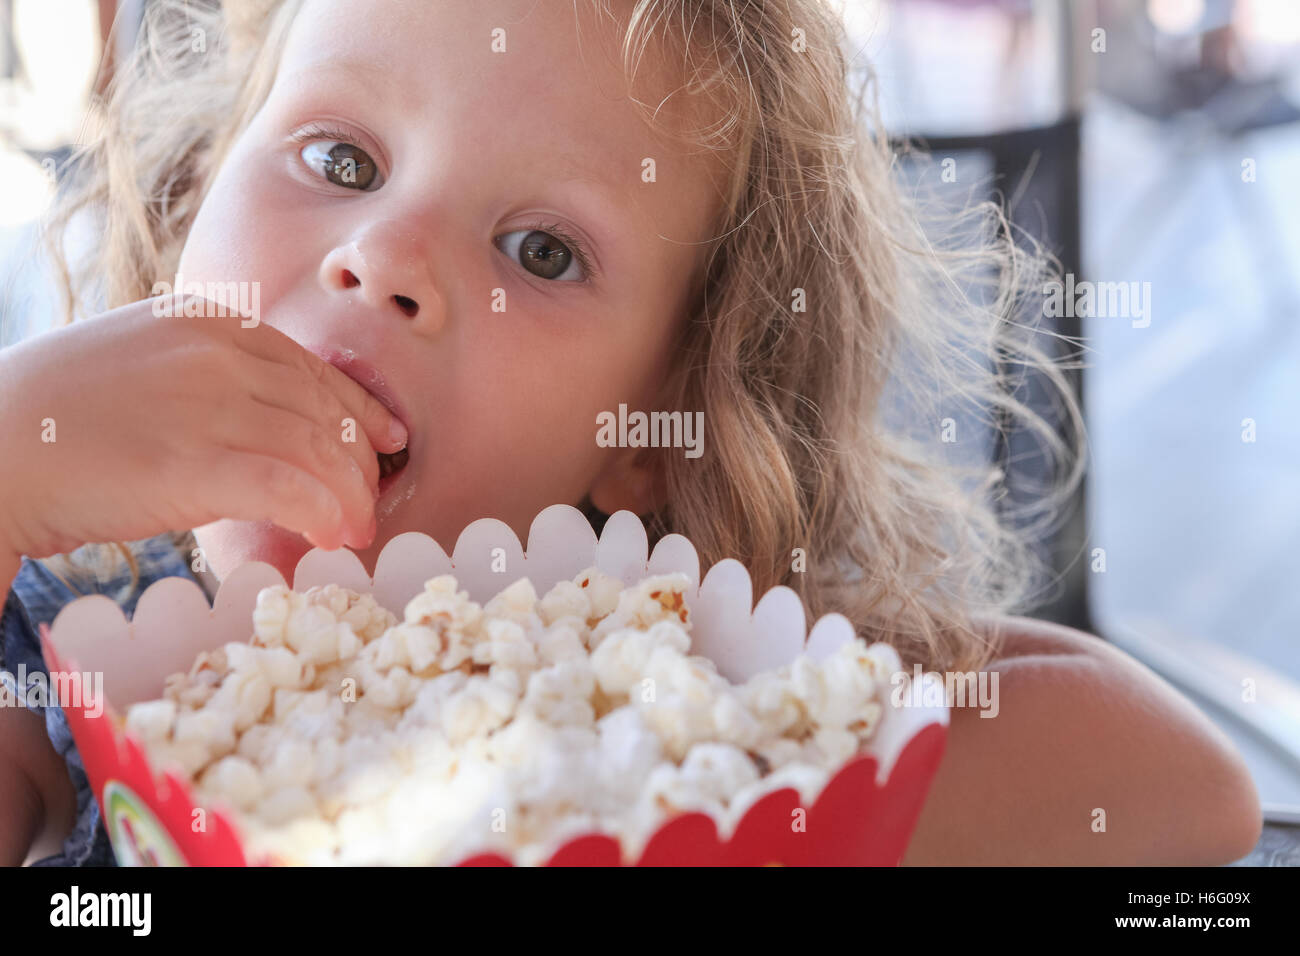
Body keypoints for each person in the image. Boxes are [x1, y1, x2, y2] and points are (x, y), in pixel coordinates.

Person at [0, 0, 1261, 866]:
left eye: (540, 249)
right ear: (189, 201)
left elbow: (1184, 783)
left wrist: (682, 794)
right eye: (338, 157)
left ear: (655, 426)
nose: (383, 257)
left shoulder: (668, 658)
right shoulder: (70, 605)